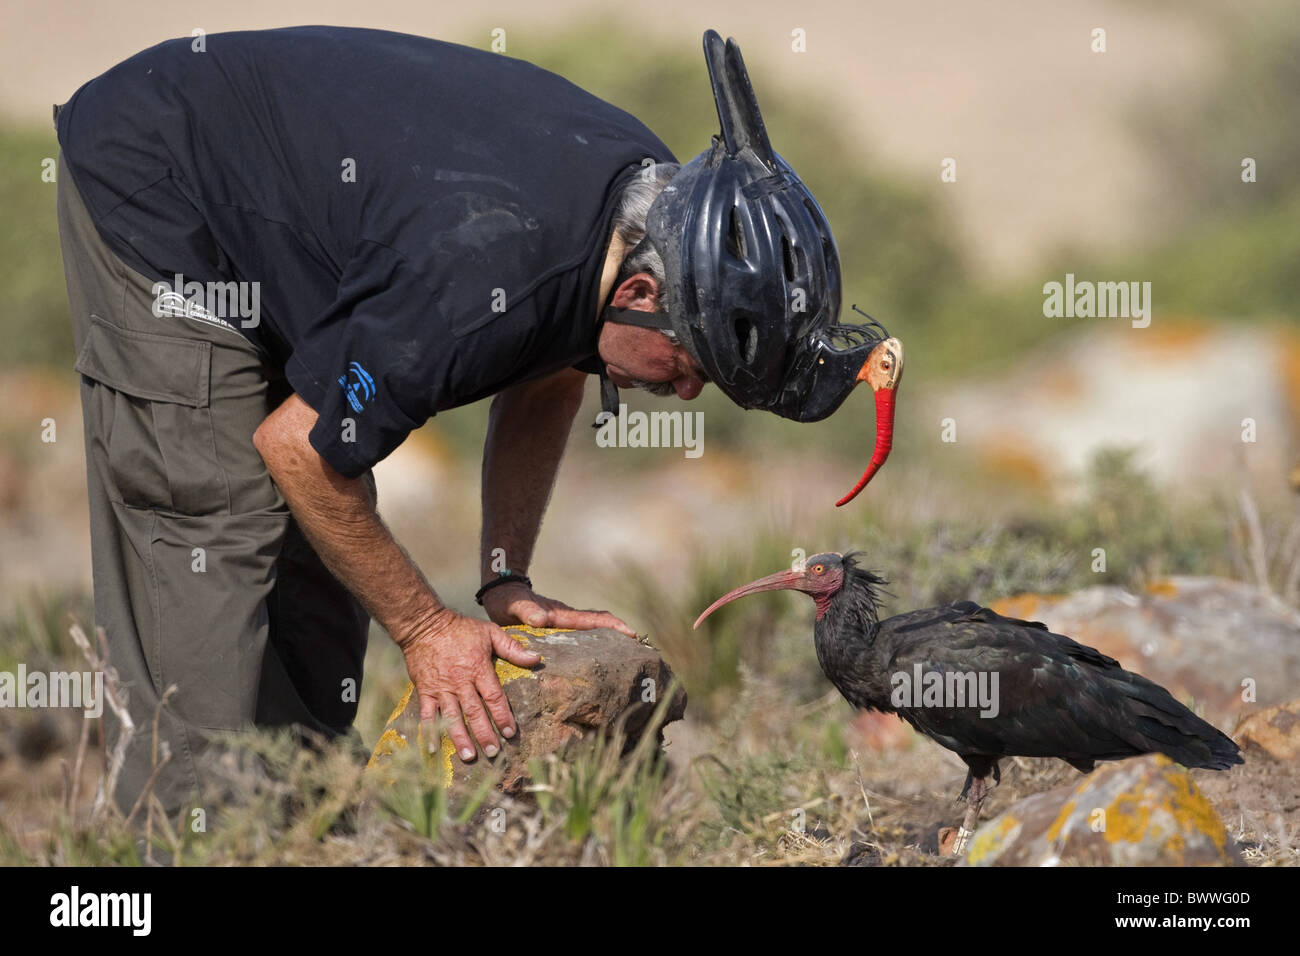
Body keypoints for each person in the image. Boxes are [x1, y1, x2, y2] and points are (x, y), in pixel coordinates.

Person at [54, 25, 901, 819]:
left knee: (325, 547)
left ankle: (287, 826)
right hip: (162, 177)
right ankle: (179, 843)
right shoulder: (474, 277)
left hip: (290, 226)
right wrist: (425, 631)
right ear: (641, 296)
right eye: (692, 369)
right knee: (221, 516)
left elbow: (549, 374)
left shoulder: (641, 220)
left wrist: (503, 579)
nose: (685, 398)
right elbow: (302, 453)